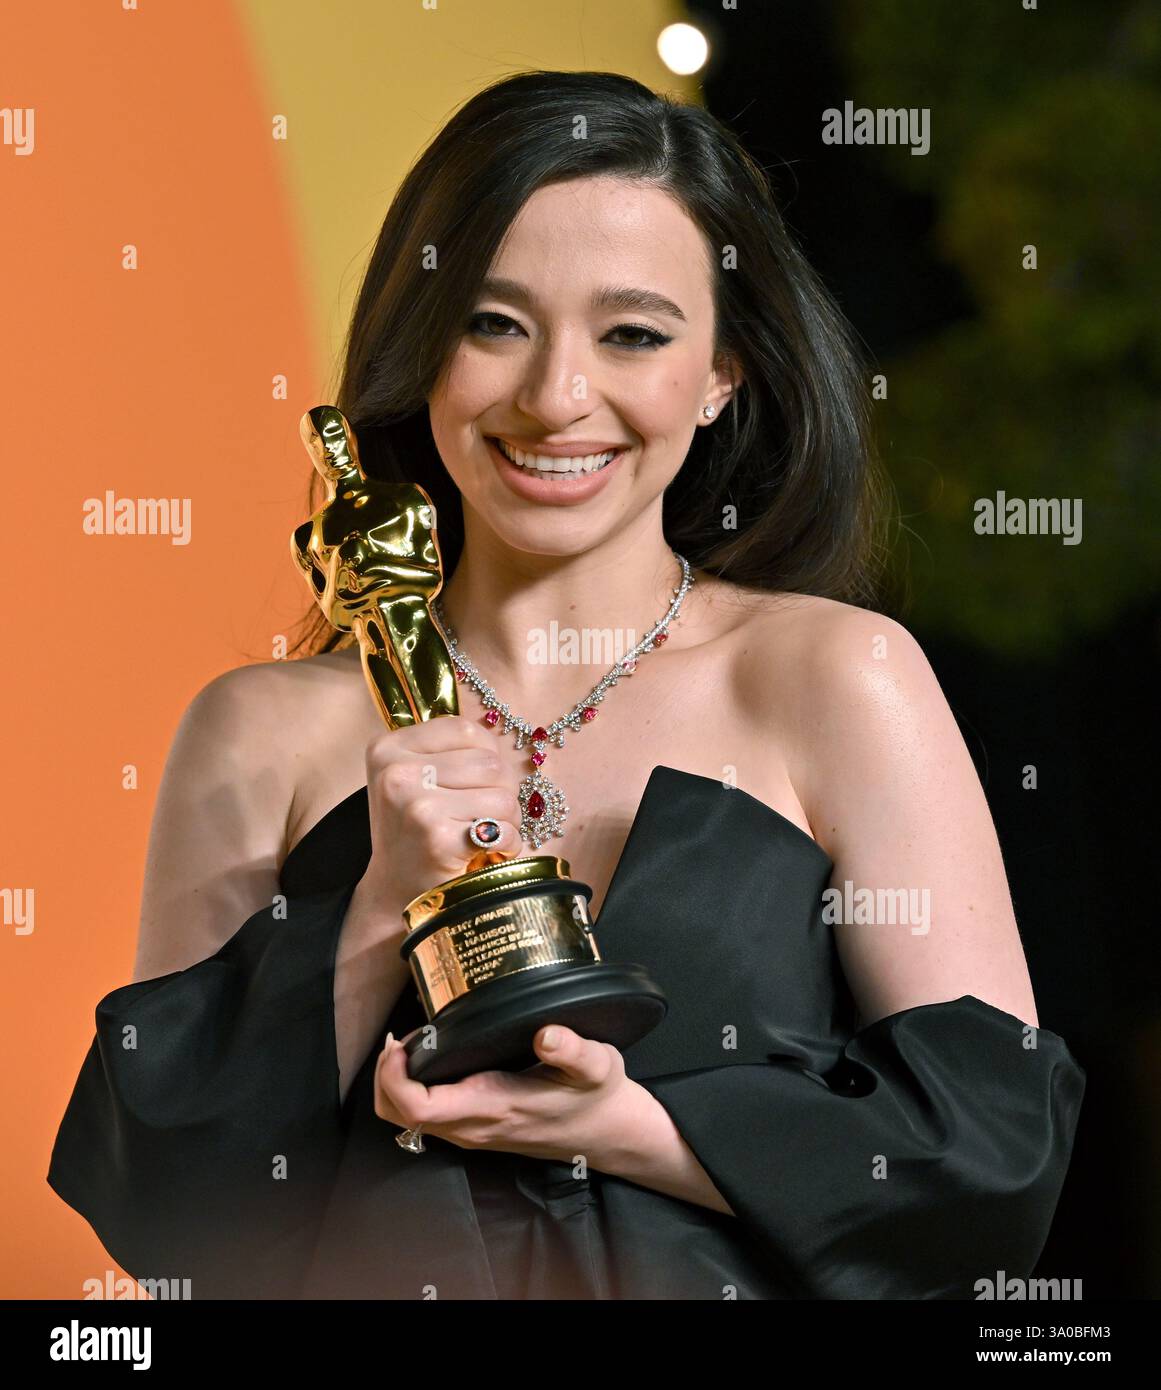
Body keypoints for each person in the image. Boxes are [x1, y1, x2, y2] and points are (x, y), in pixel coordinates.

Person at [47, 69, 1084, 1300]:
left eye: (634, 334)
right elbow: (166, 1210)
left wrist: (626, 1127)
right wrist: (383, 905)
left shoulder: (837, 679)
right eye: (495, 324)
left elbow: (990, 1161)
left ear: (723, 372)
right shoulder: (258, 729)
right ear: (421, 348)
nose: (554, 397)